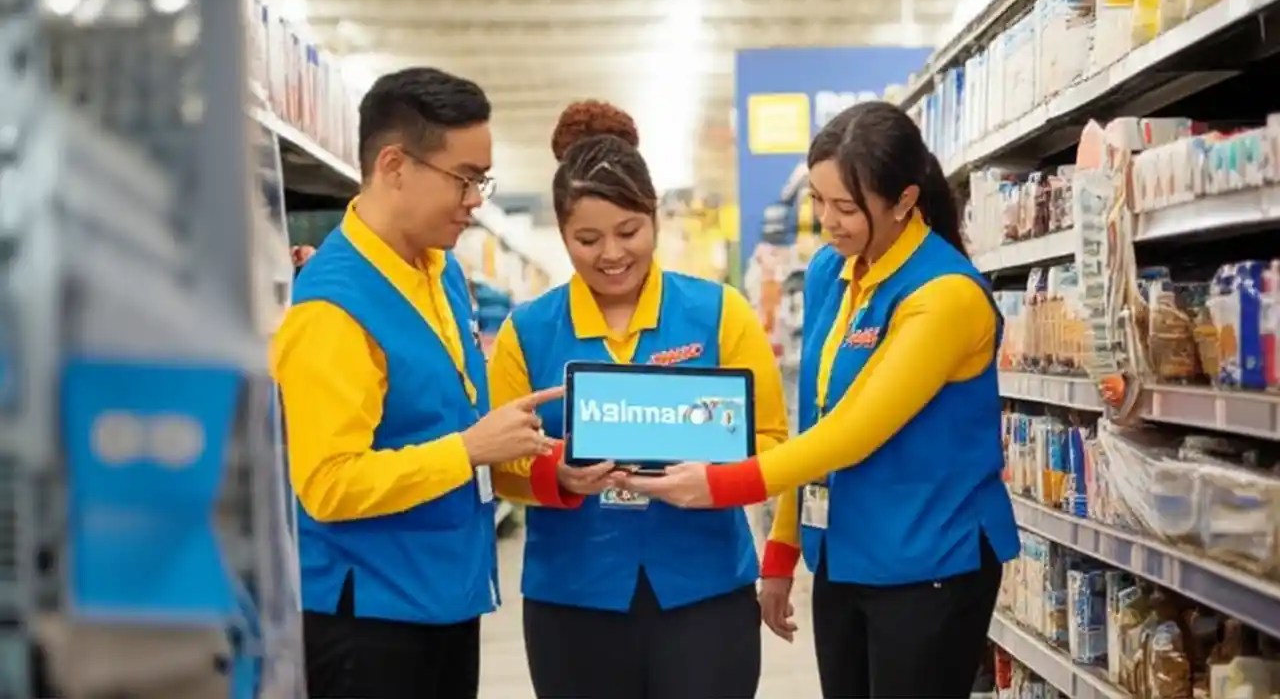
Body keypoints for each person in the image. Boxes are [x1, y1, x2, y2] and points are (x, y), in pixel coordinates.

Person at [625, 100, 1021, 699]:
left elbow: (854, 432)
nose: (827, 221)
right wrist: (782, 551)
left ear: (905, 200)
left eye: (845, 206)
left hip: (930, 563)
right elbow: (814, 422)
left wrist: (723, 484)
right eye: (817, 200)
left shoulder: (946, 296)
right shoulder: (830, 276)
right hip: (844, 555)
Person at [270, 67, 562, 699]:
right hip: (370, 622)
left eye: (481, 179)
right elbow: (327, 485)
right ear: (395, 166)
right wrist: (469, 449)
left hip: (443, 598)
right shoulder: (332, 312)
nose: (476, 198)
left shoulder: (442, 271)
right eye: (464, 178)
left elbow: (440, 419)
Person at [487, 100, 790, 699]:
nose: (611, 254)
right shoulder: (528, 332)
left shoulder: (719, 313)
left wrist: (713, 476)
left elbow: (773, 443)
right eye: (587, 239)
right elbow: (500, 467)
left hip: (703, 591)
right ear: (561, 233)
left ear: (653, 217)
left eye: (629, 231)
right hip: (573, 599)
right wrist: (559, 476)